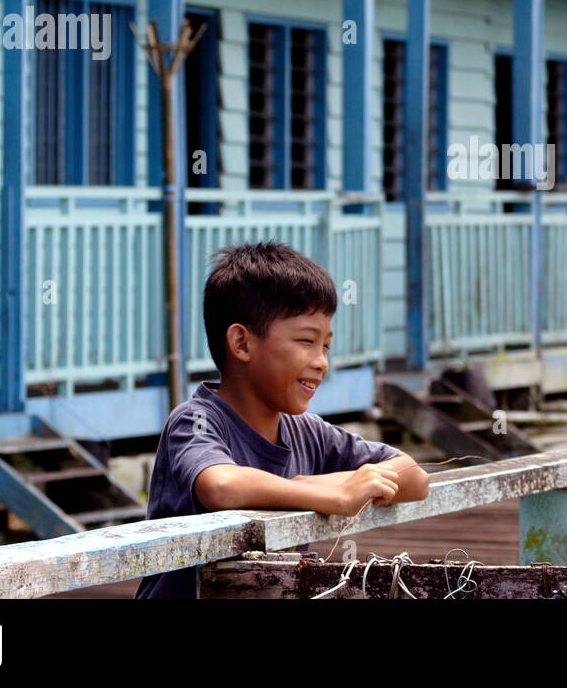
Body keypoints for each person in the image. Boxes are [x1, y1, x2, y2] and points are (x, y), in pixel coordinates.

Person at [135, 242, 429, 598]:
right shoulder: (195, 421)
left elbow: (414, 476)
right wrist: (333, 497)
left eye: (326, 346)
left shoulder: (310, 433)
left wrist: (323, 483)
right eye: (306, 340)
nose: (321, 361)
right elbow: (221, 485)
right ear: (242, 343)